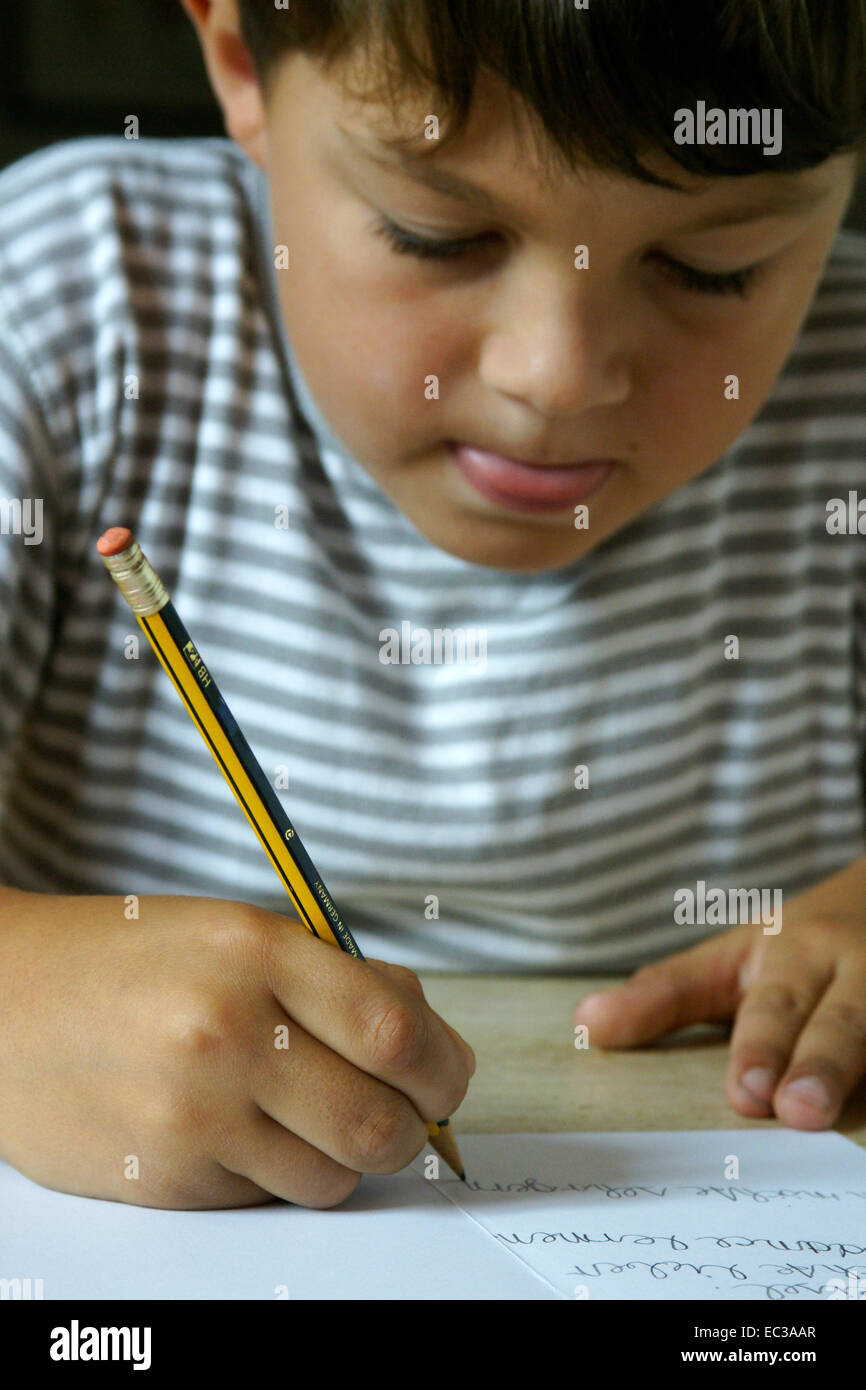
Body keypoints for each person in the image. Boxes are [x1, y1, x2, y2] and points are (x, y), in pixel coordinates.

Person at [0, 0, 864, 1209]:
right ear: (241, 58)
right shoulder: (70, 291)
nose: (554, 376)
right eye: (434, 233)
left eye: (706, 267)